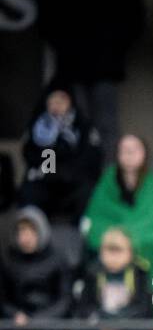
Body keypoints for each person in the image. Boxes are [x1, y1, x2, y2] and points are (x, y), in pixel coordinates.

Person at [36, 0, 144, 150]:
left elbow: (135, 17)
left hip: (105, 65)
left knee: (106, 125)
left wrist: (116, 48)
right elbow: (46, 19)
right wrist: (64, 46)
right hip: (73, 65)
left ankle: (109, 173)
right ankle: (82, 171)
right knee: (75, 124)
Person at [82, 134, 153, 274]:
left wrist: (129, 239)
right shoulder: (108, 180)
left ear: (145, 153)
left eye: (134, 149)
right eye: (125, 149)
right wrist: (116, 238)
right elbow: (96, 217)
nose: (129, 154)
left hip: (145, 246)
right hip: (110, 244)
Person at [18, 85, 102, 225]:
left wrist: (68, 170)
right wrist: (51, 159)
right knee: (29, 192)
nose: (56, 105)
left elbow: (92, 156)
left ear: (70, 102)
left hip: (74, 180)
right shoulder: (38, 125)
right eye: (52, 101)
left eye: (61, 100)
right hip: (46, 178)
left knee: (88, 192)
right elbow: (29, 153)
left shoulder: (82, 125)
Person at [71, 227, 153, 330]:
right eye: (109, 251)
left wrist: (118, 325)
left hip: (129, 327)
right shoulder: (93, 273)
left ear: (130, 253)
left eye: (118, 251)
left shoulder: (139, 274)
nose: (113, 258)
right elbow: (85, 307)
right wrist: (102, 325)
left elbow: (142, 308)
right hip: (99, 326)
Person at [0, 206, 71, 330]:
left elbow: (64, 300)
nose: (25, 237)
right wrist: (15, 315)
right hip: (15, 322)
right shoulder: (8, 260)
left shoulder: (57, 260)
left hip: (49, 321)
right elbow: (3, 299)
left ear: (41, 231)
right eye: (21, 230)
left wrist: (39, 320)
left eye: (31, 230)